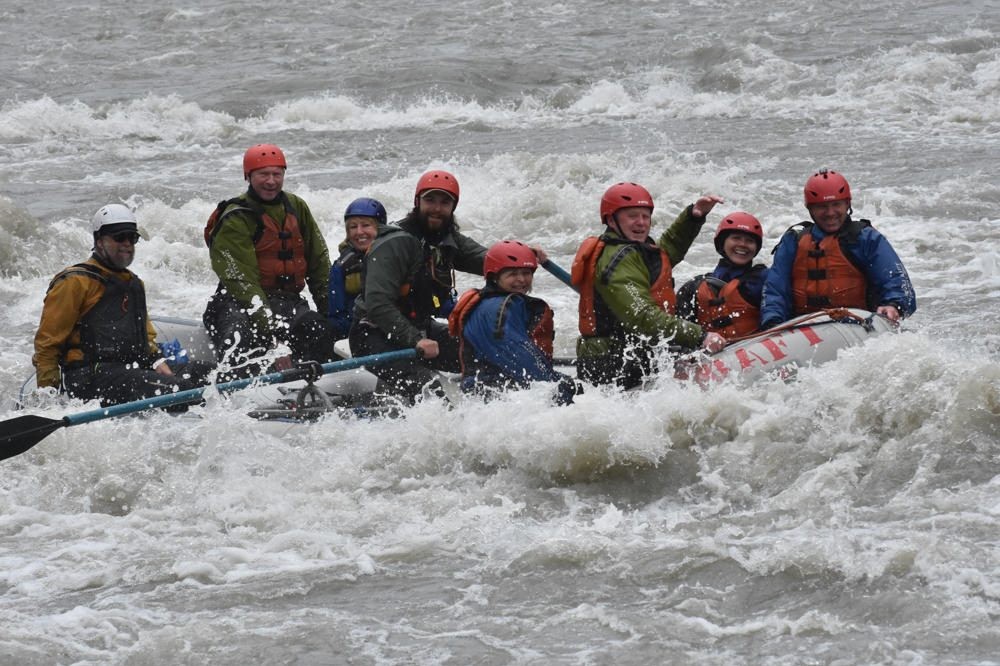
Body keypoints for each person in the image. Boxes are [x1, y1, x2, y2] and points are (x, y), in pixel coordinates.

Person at [32, 204, 209, 407]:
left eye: (132, 238)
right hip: (92, 378)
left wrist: (158, 362)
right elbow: (47, 345)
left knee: (211, 372)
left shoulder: (133, 283)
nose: (127, 244)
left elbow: (146, 337)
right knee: (184, 391)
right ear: (99, 241)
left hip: (131, 371)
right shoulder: (74, 282)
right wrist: (49, 398)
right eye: (119, 237)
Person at [348, 169, 494, 404]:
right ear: (417, 202)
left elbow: (492, 261)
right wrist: (415, 340)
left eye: (444, 202)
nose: (437, 208)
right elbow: (378, 305)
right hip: (373, 335)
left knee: (482, 356)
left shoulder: (447, 239)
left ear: (452, 208)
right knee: (429, 388)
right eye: (430, 200)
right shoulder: (394, 242)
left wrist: (523, 255)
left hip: (421, 329)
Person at [572, 183, 728, 390]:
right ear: (611, 220)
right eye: (632, 216)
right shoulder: (617, 261)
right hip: (611, 362)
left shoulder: (634, 250)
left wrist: (693, 217)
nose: (641, 223)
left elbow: (664, 257)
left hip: (631, 353)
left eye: (645, 216)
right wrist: (700, 335)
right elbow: (643, 317)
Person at [202, 143, 335, 375]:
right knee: (239, 335)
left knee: (318, 328)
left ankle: (307, 384)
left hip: (287, 301)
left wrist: (331, 315)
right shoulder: (236, 217)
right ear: (248, 176)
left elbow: (319, 264)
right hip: (236, 303)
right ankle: (230, 389)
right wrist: (273, 338)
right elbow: (243, 284)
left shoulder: (296, 207)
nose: (271, 181)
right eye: (263, 174)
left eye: (277, 174)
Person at [759, 169, 916, 329]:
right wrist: (772, 322)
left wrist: (893, 305)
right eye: (822, 207)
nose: (830, 213)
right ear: (810, 209)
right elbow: (775, 289)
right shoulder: (793, 241)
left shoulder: (866, 238)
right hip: (803, 328)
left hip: (858, 325)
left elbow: (896, 280)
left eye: (836, 205)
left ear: (847, 204)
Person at [448, 240, 581, 405]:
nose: (521, 279)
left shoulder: (491, 302)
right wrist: (552, 383)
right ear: (494, 277)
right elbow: (516, 353)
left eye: (526, 273)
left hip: (485, 389)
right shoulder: (502, 308)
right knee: (567, 387)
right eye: (512, 274)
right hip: (495, 391)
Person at [676, 211, 769, 340]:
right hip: (712, 356)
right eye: (736, 238)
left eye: (750, 241)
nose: (742, 244)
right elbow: (678, 330)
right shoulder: (693, 288)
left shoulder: (763, 280)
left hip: (758, 353)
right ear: (722, 243)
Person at [327, 197, 385, 339]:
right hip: (358, 332)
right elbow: (336, 318)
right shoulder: (341, 267)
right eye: (353, 227)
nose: (359, 232)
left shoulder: (399, 257)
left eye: (366, 225)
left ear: (381, 227)